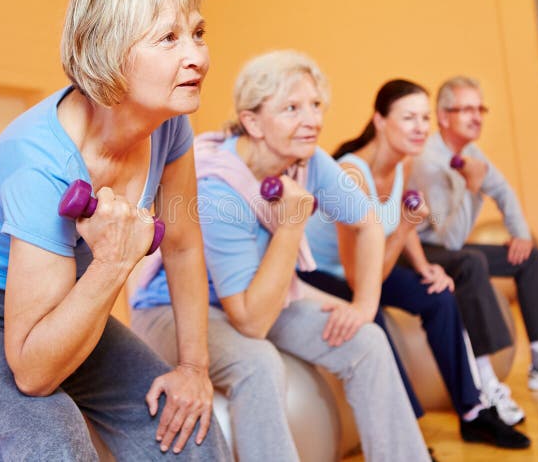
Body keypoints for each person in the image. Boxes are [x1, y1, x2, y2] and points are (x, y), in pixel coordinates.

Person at [0, 0, 231, 461]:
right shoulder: (37, 162)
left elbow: (181, 244)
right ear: (109, 53)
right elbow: (33, 371)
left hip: (57, 307)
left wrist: (194, 369)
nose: (198, 56)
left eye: (198, 33)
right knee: (49, 432)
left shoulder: (168, 124)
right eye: (169, 39)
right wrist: (114, 262)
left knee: (184, 424)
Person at [130, 51, 430, 461]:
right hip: (175, 308)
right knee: (258, 363)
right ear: (253, 122)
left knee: (368, 339)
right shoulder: (216, 188)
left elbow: (369, 225)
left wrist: (364, 306)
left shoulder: (308, 159)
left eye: (315, 105)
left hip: (262, 295)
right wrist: (290, 225)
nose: (312, 120)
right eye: (292, 108)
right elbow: (251, 322)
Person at [298, 79, 530, 449]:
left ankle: (472, 412)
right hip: (322, 274)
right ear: (379, 121)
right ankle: (406, 435)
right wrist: (408, 226)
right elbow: (362, 282)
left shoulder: (401, 163)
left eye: (424, 117)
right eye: (409, 118)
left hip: (366, 267)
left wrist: (424, 267)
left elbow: (392, 226)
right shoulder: (352, 175)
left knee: (438, 296)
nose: (421, 127)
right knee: (372, 319)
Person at [406, 75, 538, 425]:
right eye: (466, 109)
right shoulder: (428, 164)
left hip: (448, 243)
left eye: (480, 108)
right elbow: (446, 237)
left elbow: (504, 191)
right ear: (444, 116)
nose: (476, 116)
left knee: (529, 257)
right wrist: (472, 188)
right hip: (421, 247)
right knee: (470, 260)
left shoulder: (471, 153)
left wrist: (520, 234)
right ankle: (486, 381)